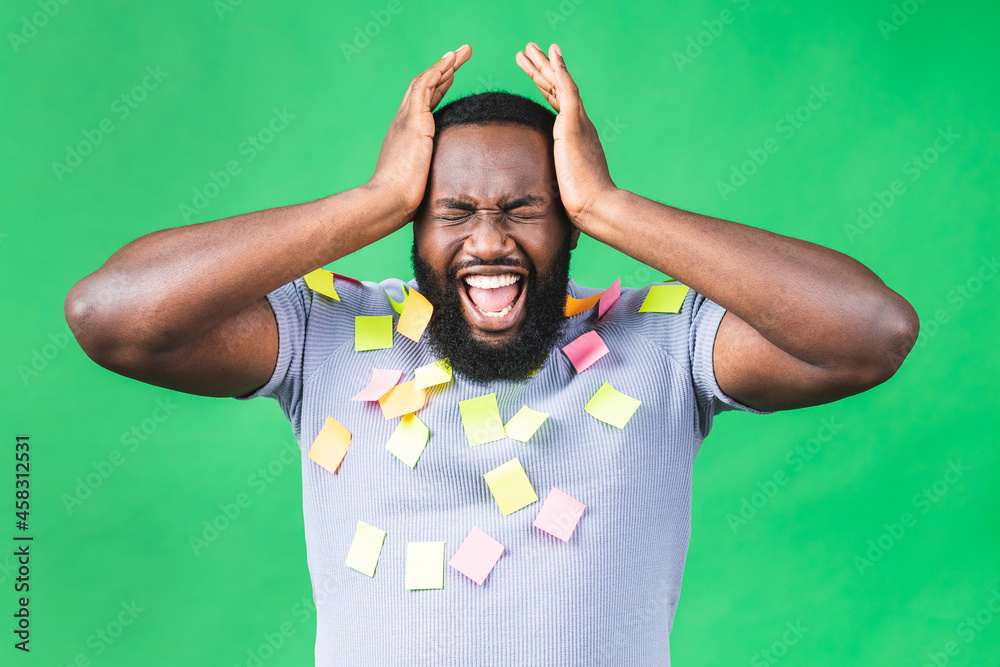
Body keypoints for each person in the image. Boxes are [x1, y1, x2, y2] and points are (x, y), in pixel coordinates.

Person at [64, 42, 919, 666]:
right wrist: (374, 200)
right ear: (411, 226)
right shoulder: (328, 333)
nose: (488, 241)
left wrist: (609, 205)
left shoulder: (666, 341)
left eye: (525, 209)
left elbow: (872, 334)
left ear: (570, 225)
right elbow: (112, 316)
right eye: (452, 211)